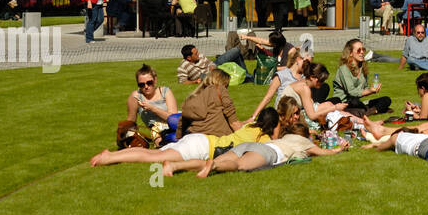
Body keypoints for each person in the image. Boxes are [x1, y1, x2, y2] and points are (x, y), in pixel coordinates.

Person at [165, 98, 347, 178]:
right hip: (266, 152)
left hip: (248, 145)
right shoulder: (303, 143)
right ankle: (213, 166)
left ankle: (174, 166)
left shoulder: (282, 137)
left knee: (216, 160)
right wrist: (340, 148)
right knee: (238, 166)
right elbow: (324, 152)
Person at [91, 108, 275, 169]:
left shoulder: (249, 126)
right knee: (153, 158)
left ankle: (113, 154)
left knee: (152, 154)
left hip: (202, 140)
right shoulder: (264, 139)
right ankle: (110, 158)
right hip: (201, 149)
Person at [331, 39, 391, 115]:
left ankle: (368, 111)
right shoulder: (343, 69)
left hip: (356, 102)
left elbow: (364, 89)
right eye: (359, 50)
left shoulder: (362, 68)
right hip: (343, 103)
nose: (362, 52)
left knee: (386, 100)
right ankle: (371, 110)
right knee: (355, 102)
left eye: (363, 49)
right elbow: (352, 92)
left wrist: (372, 89)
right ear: (350, 53)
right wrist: (369, 91)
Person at [179, 68, 244, 136]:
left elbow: (182, 124)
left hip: (195, 137)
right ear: (223, 83)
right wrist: (245, 140)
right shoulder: (220, 90)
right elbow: (234, 123)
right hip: (218, 139)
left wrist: (179, 138)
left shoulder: (191, 97)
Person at [125, 64, 178, 133]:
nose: (146, 86)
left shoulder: (165, 92)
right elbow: (131, 121)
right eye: (141, 85)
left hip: (175, 127)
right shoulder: (136, 96)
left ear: (155, 80)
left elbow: (174, 120)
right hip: (157, 132)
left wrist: (152, 108)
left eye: (149, 83)